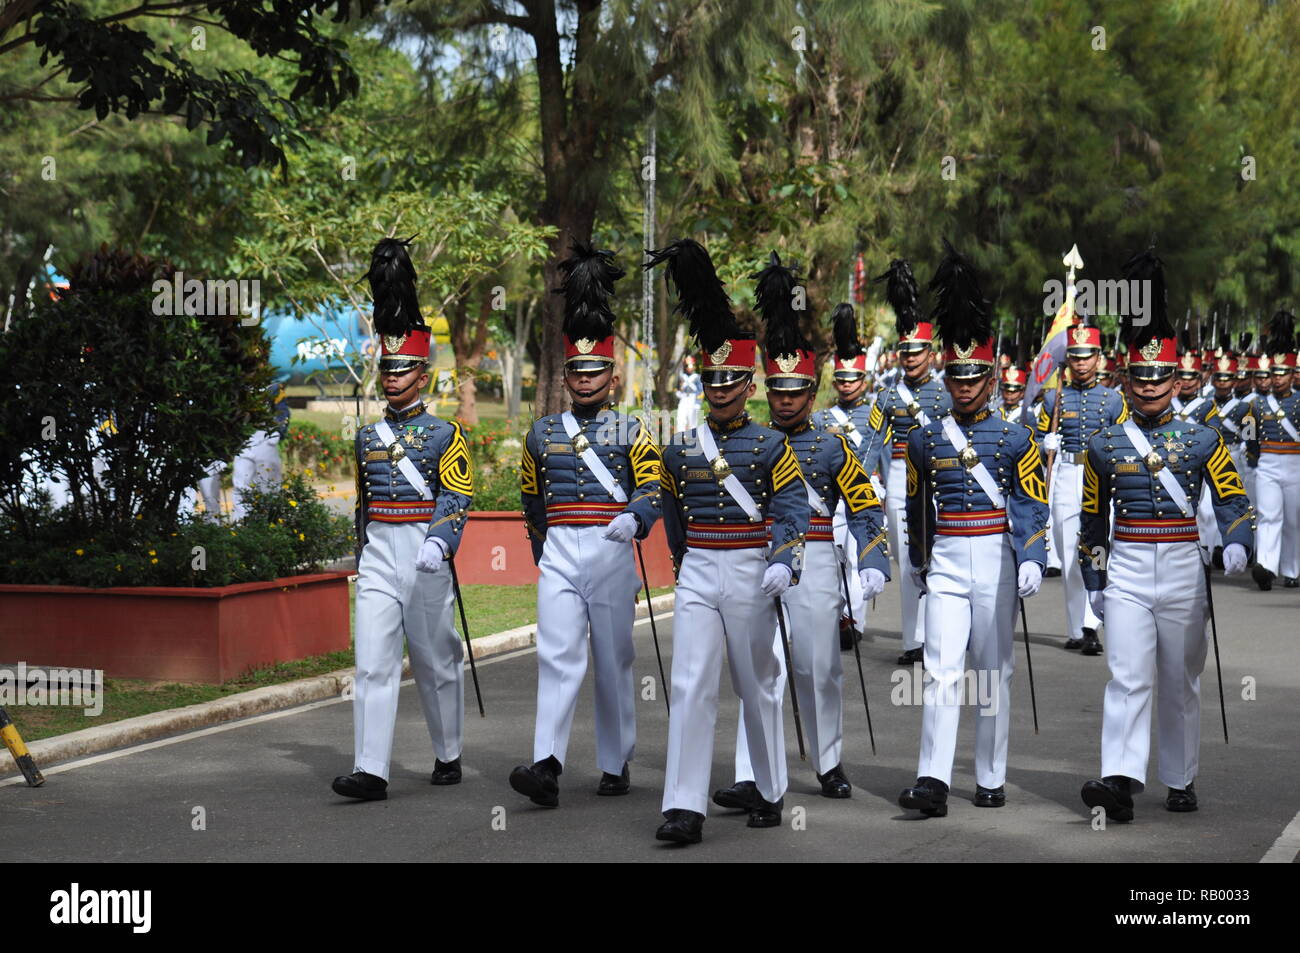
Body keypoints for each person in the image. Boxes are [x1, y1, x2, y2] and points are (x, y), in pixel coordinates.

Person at [645, 238, 811, 845]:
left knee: (754, 681)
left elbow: (792, 509)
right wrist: (684, 560)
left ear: (748, 384)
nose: (719, 388)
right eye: (711, 378)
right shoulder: (682, 448)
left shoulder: (771, 446)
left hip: (749, 569)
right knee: (689, 683)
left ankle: (768, 788)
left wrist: (784, 562)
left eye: (730, 380)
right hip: (697, 572)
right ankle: (683, 805)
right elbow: (670, 507)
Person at [1079, 249, 1254, 823]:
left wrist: (1235, 539)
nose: (1150, 387)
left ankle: (1180, 779)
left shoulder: (1202, 440)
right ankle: (1120, 781)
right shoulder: (1104, 444)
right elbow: (1091, 519)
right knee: (1126, 676)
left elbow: (1230, 496)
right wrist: (1095, 577)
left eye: (1161, 376)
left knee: (1180, 680)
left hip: (1182, 564)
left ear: (1178, 378)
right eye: (1140, 376)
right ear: (1124, 378)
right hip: (1127, 562)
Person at [714, 253, 889, 807]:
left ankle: (828, 759)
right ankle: (751, 772)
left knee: (817, 669)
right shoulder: (751, 442)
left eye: (796, 391)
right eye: (778, 391)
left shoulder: (833, 444)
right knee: (756, 671)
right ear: (766, 390)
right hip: (758, 559)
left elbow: (864, 506)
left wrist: (874, 561)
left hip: (813, 561)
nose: (785, 400)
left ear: (812, 393)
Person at [897, 241, 1049, 817]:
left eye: (974, 375)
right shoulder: (925, 436)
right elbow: (916, 506)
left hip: (994, 555)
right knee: (939, 669)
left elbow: (1030, 501)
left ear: (991, 376)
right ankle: (932, 779)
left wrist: (1033, 552)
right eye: (955, 374)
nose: (963, 384)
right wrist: (918, 557)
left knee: (992, 670)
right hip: (947, 559)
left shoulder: (1015, 438)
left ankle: (990, 775)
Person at [509, 242, 663, 807]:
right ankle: (547, 763)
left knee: (615, 658)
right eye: (576, 368)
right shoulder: (543, 432)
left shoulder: (631, 429)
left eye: (595, 367)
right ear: (566, 372)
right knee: (556, 652)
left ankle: (615, 758)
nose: (584, 377)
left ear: (612, 373)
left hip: (610, 546)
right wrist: (543, 550)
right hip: (560, 553)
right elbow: (531, 498)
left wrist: (634, 518)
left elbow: (653, 488)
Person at [332, 237, 474, 802]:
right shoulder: (368, 437)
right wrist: (361, 553)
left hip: (423, 549)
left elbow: (457, 496)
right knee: (371, 661)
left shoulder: (446, 434)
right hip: (379, 553)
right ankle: (371, 769)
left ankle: (448, 752)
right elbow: (364, 503)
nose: (392, 377)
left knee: (436, 658)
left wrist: (441, 544)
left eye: (403, 369)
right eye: (387, 368)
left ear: (423, 374)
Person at [860, 259, 952, 665]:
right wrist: (864, 483)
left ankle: (944, 632)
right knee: (911, 558)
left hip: (944, 479)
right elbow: (870, 443)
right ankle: (914, 640)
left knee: (942, 556)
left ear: (931, 353)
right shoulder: (887, 396)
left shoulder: (948, 394)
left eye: (918, 351)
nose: (911, 358)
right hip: (900, 477)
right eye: (905, 351)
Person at [1037, 316, 1127, 656]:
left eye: (1087, 355)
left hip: (1099, 478)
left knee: (1096, 549)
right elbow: (1037, 444)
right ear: (1068, 360)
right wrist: (1046, 444)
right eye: (1075, 356)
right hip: (1066, 474)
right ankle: (1076, 626)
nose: (1082, 362)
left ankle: (1092, 623)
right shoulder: (1053, 400)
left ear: (1099, 358)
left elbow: (1122, 443)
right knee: (1068, 553)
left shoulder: (1114, 401)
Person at [812, 301, 879, 645]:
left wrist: (861, 483)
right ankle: (838, 614)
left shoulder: (875, 415)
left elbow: (873, 451)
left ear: (863, 380)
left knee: (857, 556)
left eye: (853, 378)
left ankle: (854, 620)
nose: (847, 384)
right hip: (834, 499)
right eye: (841, 379)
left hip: (863, 491)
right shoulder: (822, 419)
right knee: (836, 558)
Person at [1245, 312, 1300, 590]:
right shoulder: (1256, 404)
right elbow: (1249, 437)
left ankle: (1292, 569)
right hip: (1267, 462)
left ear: (1292, 374)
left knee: (1293, 519)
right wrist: (1256, 460)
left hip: (1295, 463)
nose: (1277, 379)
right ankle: (1266, 566)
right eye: (1274, 374)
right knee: (1268, 515)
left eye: (1283, 373)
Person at [230, 380, 290, 520]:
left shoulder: (274, 387)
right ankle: (239, 524)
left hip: (266, 437)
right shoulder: (239, 384)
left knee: (269, 485)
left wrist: (278, 432)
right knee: (240, 484)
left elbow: (283, 412)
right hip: (245, 437)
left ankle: (271, 523)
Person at [675, 355, 702, 433]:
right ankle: (680, 435)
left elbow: (700, 391)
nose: (689, 367)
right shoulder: (682, 376)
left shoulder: (697, 377)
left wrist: (698, 403)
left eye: (691, 365)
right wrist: (678, 393)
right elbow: (677, 388)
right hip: (683, 398)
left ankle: (693, 436)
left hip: (693, 399)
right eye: (687, 366)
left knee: (692, 419)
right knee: (680, 417)